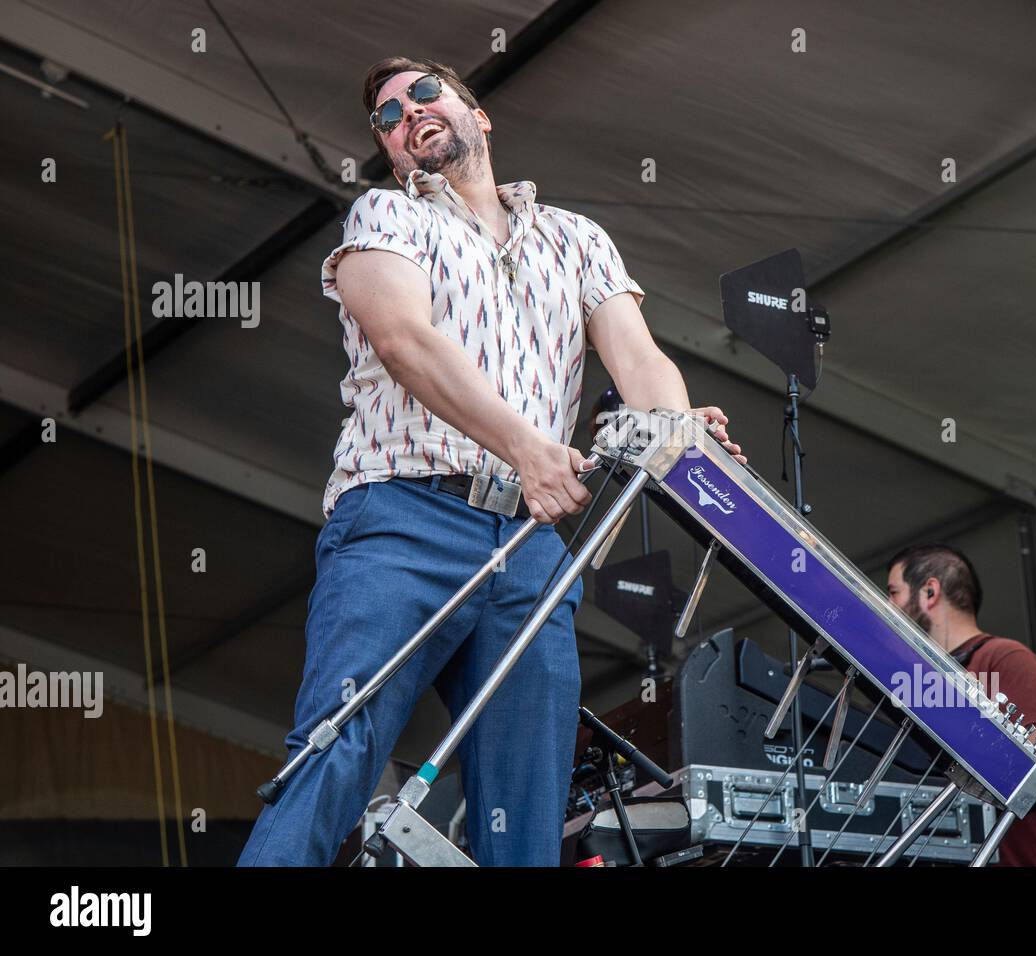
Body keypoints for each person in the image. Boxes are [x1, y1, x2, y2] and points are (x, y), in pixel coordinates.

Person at [238, 56, 744, 867]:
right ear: (392, 150)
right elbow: (405, 341)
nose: (407, 113)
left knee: (527, 806)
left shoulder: (577, 238)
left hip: (528, 546)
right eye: (388, 116)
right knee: (337, 748)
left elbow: (639, 361)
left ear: (479, 113)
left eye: (426, 93)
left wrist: (680, 431)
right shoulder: (387, 218)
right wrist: (527, 449)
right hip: (404, 518)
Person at [886, 543, 1036, 866]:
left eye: (893, 592)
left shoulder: (1007, 658)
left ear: (930, 592)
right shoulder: (918, 681)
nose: (888, 606)